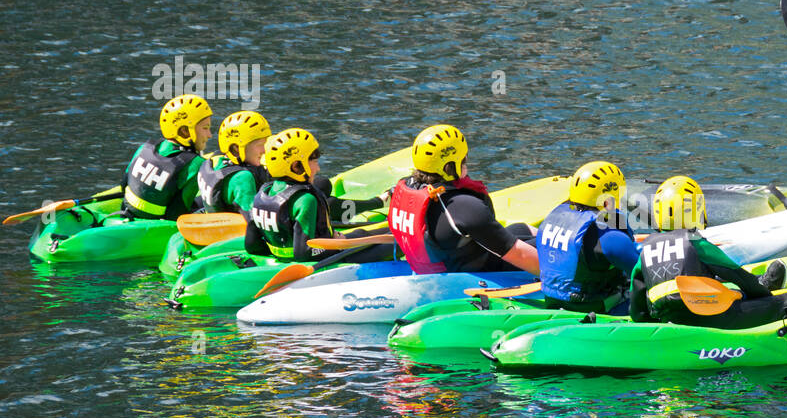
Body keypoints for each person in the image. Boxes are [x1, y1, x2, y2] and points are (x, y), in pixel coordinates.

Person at [630, 176, 787, 329]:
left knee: (732, 292)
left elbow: (637, 312)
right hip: (712, 321)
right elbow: (747, 283)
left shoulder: (644, 252)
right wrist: (767, 294)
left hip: (671, 322)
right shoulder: (697, 244)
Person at [387, 124, 539, 275]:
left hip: (439, 262)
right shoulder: (463, 206)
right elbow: (520, 255)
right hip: (476, 273)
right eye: (464, 159)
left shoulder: (408, 189)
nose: (466, 163)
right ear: (449, 167)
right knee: (555, 252)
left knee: (525, 229)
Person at [244, 128, 389, 263]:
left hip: (291, 257)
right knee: (395, 245)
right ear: (296, 166)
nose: (318, 168)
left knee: (362, 233)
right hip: (324, 259)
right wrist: (336, 245)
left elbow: (252, 245)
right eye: (314, 161)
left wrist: (277, 254)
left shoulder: (263, 193)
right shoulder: (305, 200)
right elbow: (303, 253)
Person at [537, 160, 639, 313]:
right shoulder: (609, 234)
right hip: (592, 306)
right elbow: (641, 272)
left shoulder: (557, 216)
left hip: (552, 300)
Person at [121, 94, 212, 220]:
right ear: (185, 131)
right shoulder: (196, 164)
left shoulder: (147, 146)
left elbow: (123, 184)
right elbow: (177, 214)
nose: (209, 135)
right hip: (157, 227)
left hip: (125, 212)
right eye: (205, 128)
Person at [195, 111, 272, 215]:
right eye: (260, 144)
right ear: (236, 148)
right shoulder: (243, 178)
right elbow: (252, 223)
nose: (265, 150)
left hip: (212, 220)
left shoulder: (211, 162)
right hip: (228, 229)